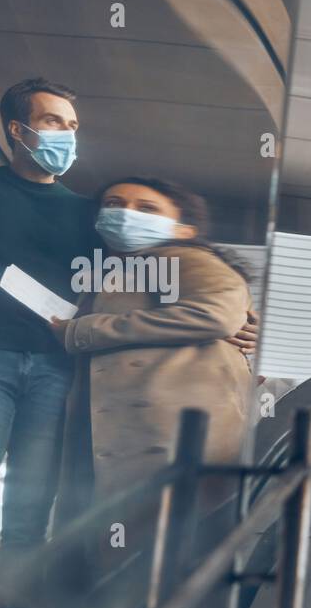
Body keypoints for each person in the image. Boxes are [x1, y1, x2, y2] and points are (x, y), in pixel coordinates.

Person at [0, 78, 258, 608]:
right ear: (18, 129)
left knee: (32, 510)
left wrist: (241, 320)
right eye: (54, 122)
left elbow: (154, 280)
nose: (67, 135)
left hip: (63, 371)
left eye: (73, 126)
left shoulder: (87, 215)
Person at [52, 176, 255, 567]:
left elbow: (217, 314)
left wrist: (84, 330)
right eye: (113, 204)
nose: (125, 214)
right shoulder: (110, 276)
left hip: (172, 446)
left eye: (147, 208)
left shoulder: (181, 258)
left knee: (157, 566)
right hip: (120, 448)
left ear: (184, 230)